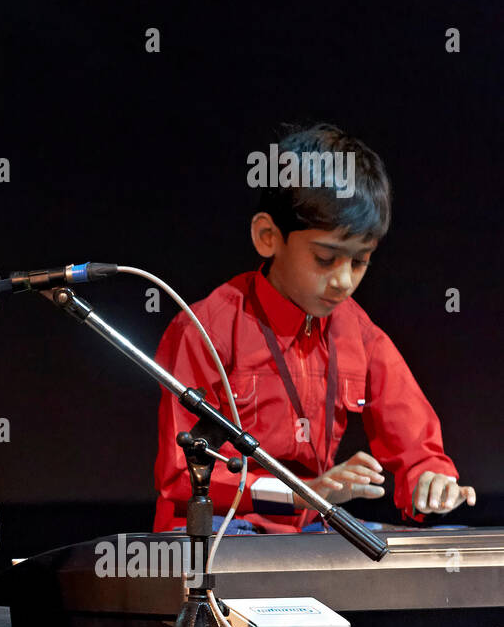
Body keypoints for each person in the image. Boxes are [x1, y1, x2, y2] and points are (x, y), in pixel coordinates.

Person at [153, 123, 474, 533]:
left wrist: (431, 478)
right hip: (221, 530)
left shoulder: (359, 333)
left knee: (449, 549)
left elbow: (416, 446)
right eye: (326, 258)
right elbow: (184, 477)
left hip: (312, 530)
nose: (344, 280)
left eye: (360, 261)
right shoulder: (204, 331)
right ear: (268, 236)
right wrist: (304, 491)